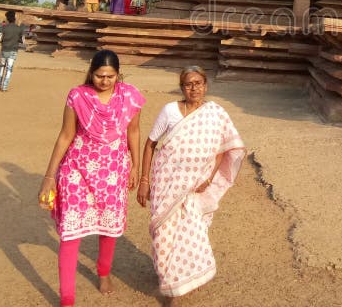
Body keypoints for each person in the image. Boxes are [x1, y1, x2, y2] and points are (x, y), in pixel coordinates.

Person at [38, 50, 144, 306]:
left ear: (118, 75)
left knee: (108, 228)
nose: (104, 81)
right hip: (77, 169)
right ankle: (67, 297)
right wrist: (49, 176)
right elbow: (65, 135)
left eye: (110, 76)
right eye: (99, 75)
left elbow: (134, 132)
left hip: (113, 171)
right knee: (70, 233)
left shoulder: (130, 96)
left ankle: (103, 272)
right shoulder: (77, 96)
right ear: (90, 72)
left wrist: (135, 167)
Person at [136, 66, 245, 305]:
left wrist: (208, 179)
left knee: (189, 231)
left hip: (195, 185)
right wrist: (145, 180)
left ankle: (179, 283)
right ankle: (170, 281)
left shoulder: (215, 113)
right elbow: (150, 144)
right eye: (188, 84)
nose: (193, 88)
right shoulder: (170, 111)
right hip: (166, 182)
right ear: (181, 87)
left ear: (205, 85)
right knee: (163, 232)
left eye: (198, 83)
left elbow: (222, 150)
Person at [0, 10, 22, 91]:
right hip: (13, 50)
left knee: (2, 66)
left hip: (4, 49)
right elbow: (22, 40)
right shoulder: (19, 29)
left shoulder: (3, 27)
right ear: (14, 18)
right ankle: (4, 87)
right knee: (9, 69)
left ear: (7, 18)